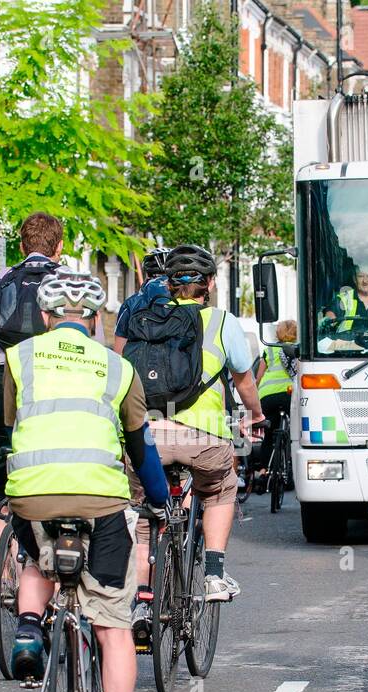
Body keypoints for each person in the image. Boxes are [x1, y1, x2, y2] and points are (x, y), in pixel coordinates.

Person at [2, 270, 169, 692]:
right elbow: (140, 447)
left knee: (34, 557)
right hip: (100, 501)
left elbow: (7, 424)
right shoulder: (117, 368)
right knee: (114, 629)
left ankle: (29, 628)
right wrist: (159, 499)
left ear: (46, 319)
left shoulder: (18, 358)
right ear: (95, 320)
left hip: (33, 495)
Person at [124, 244, 265, 634]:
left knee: (144, 517)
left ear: (168, 284)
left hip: (148, 436)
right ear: (212, 283)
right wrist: (253, 414)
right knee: (220, 488)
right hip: (203, 439)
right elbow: (244, 380)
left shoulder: (143, 318)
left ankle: (141, 599)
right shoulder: (222, 323)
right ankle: (215, 573)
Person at [0, 213, 64, 555]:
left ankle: (8, 567)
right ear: (59, 247)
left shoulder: (2, 278)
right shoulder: (70, 281)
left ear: (21, 246)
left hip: (4, 378)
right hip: (53, 382)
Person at [251, 319, 297, 485]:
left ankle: (263, 471)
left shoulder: (269, 350)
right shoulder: (298, 350)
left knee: (269, 435)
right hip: (289, 395)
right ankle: (289, 469)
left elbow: (259, 376)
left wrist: (254, 394)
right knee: (293, 435)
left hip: (267, 396)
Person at [112, 247, 171, 355]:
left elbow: (119, 350)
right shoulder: (186, 299)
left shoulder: (131, 303)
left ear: (147, 274)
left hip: (138, 367)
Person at [318, 263, 368, 348]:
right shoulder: (344, 299)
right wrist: (328, 320)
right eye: (360, 276)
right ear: (355, 279)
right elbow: (331, 315)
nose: (365, 281)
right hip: (347, 351)